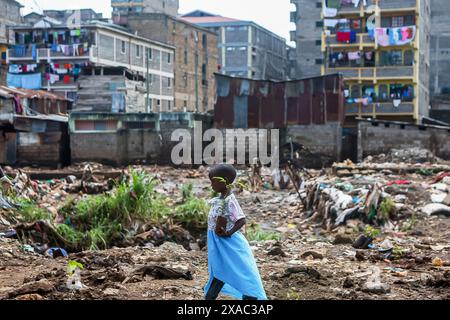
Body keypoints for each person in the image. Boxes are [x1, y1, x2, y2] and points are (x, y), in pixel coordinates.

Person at [205, 164, 267, 300]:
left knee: (240, 272)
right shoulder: (220, 200)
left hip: (230, 245)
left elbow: (241, 220)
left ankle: (250, 297)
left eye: (213, 181)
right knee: (219, 270)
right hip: (219, 245)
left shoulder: (229, 201)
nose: (211, 185)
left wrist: (228, 233)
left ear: (225, 181)